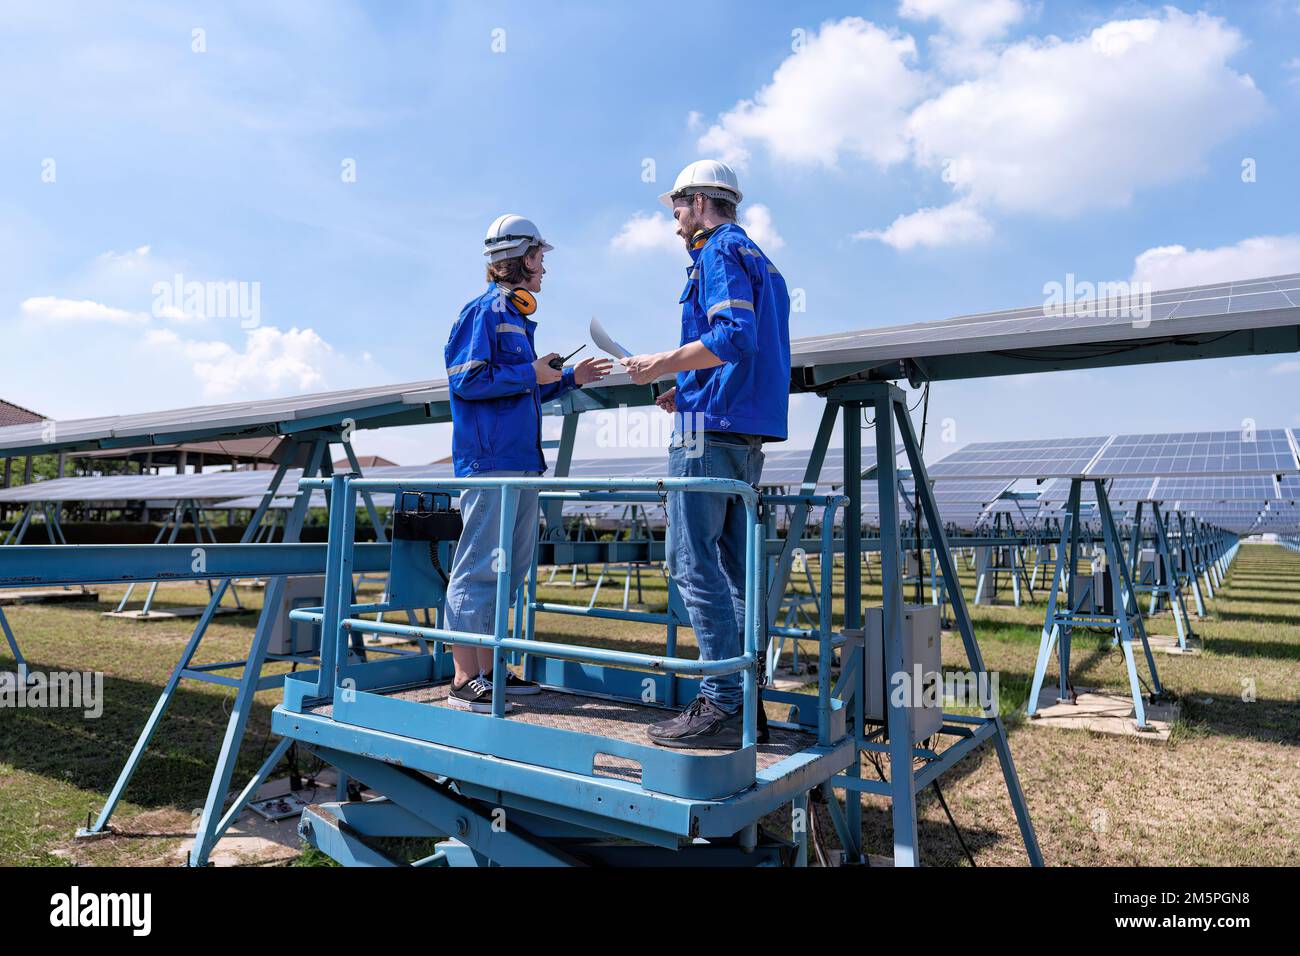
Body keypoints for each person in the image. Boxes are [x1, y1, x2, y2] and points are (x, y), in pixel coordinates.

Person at [622, 159, 792, 749]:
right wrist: (686, 387)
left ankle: (721, 701)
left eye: (676, 209)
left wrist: (660, 363)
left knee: (692, 564)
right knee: (740, 571)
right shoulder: (757, 257)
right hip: (740, 427)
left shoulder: (718, 252)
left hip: (706, 432)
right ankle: (748, 702)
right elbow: (743, 354)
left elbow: (732, 338)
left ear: (698, 202)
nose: (674, 224)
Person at [443, 214, 612, 712]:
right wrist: (529, 372)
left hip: (521, 462)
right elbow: (466, 381)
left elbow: (523, 385)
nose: (545, 269)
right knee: (477, 567)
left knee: (509, 568)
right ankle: (461, 676)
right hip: (489, 462)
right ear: (518, 259)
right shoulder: (483, 313)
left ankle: (492, 668)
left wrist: (569, 378)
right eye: (540, 258)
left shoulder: (516, 319)